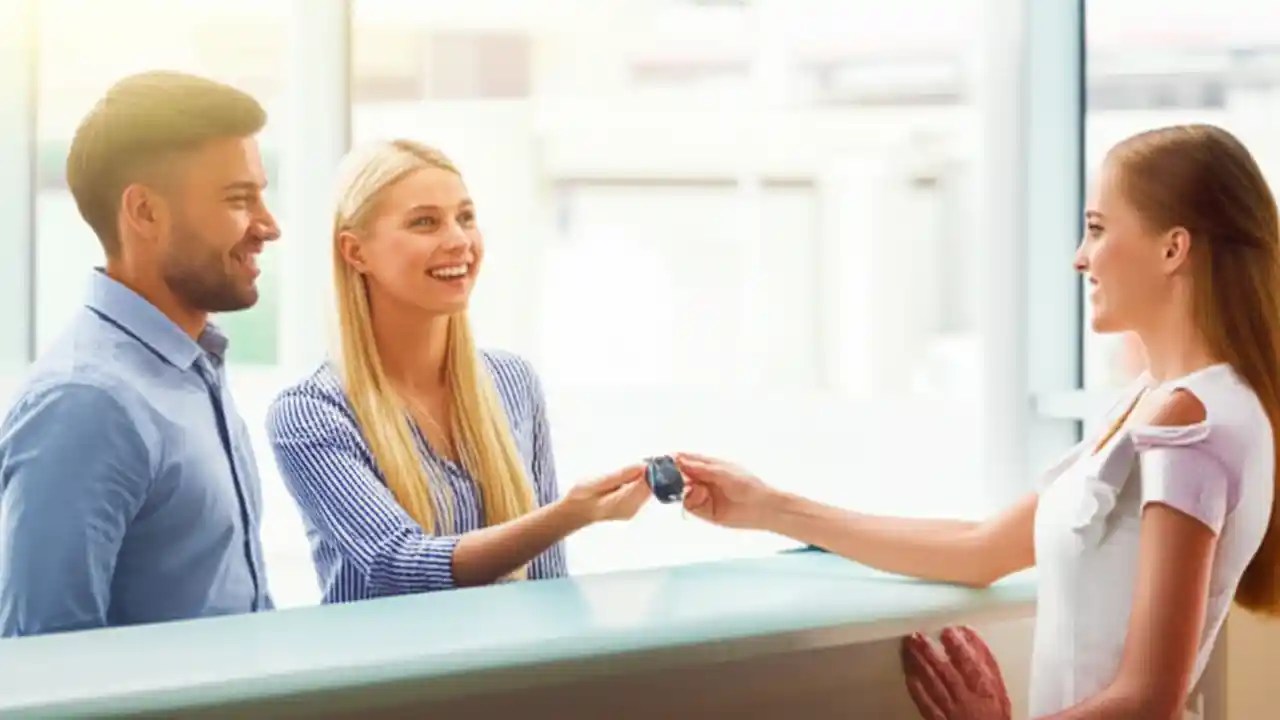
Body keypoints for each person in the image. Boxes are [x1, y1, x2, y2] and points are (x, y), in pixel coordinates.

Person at [675, 124, 1280, 718]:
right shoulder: (1154, 399)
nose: (1080, 257)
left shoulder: (1190, 423)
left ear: (1173, 249)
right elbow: (981, 549)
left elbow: (1148, 699)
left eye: (1097, 229)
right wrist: (769, 507)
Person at [265, 139, 649, 603]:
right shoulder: (310, 413)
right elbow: (398, 564)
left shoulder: (512, 382)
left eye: (465, 218)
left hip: (511, 654)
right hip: (387, 654)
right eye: (425, 222)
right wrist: (570, 515)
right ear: (355, 252)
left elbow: (548, 584)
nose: (459, 241)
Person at [0, 71, 280, 636]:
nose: (268, 226)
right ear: (145, 212)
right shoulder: (86, 403)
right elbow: (44, 654)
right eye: (238, 199)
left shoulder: (194, 365)